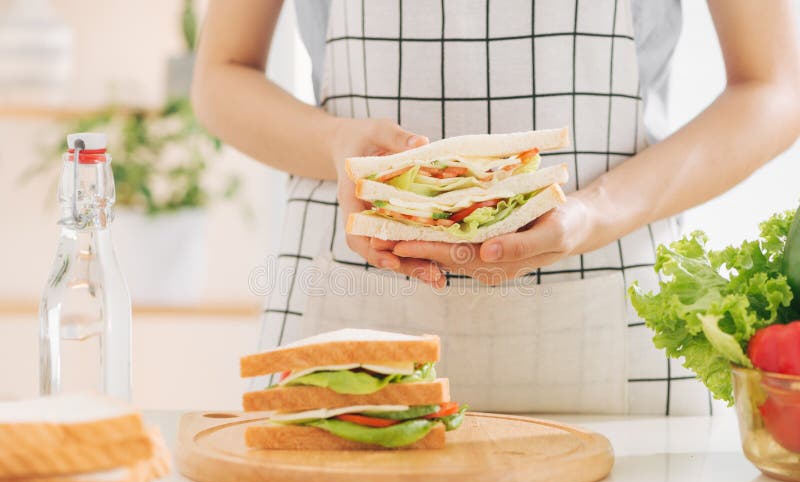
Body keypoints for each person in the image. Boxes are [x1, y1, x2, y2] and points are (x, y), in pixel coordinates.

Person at [192, 0, 800, 415]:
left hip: (616, 318)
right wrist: (334, 144)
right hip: (348, 304)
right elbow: (221, 76)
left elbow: (773, 87)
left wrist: (594, 213)